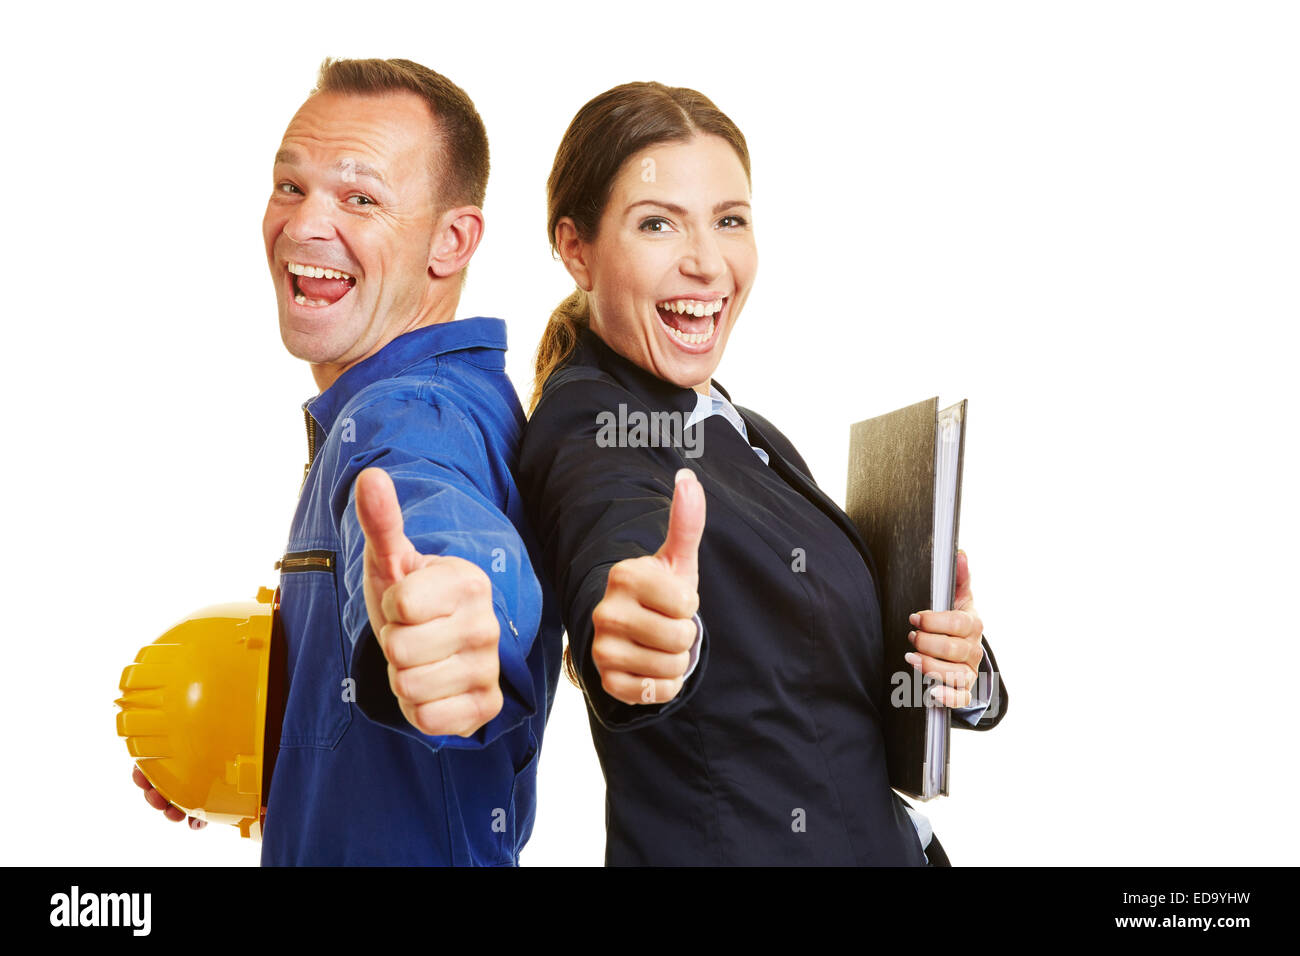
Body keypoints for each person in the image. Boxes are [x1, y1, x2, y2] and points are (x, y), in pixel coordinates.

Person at [519, 82, 1008, 865]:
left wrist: (956, 670)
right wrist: (641, 637)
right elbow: (615, 547)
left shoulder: (731, 424)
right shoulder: (591, 427)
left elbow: (823, 679)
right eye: (656, 224)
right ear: (577, 248)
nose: (707, 263)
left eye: (730, 221)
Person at [133, 57, 562, 865]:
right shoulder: (439, 394)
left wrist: (453, 613)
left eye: (360, 197)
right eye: (290, 186)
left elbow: (438, 527)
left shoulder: (408, 415)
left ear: (451, 240)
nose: (302, 226)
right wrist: (270, 730)